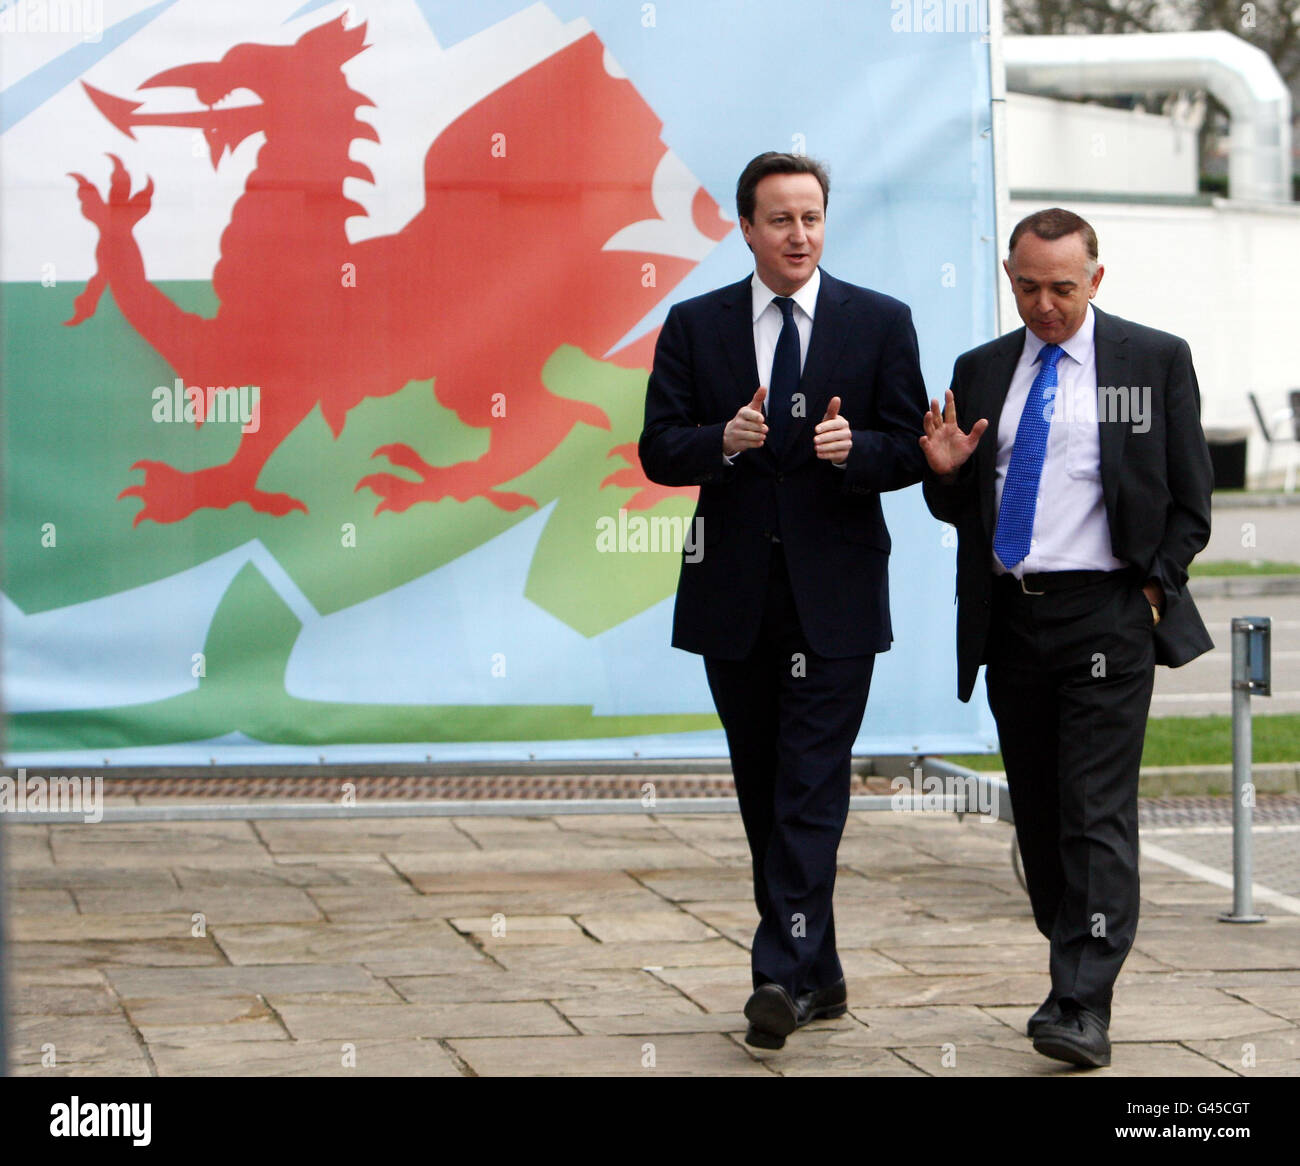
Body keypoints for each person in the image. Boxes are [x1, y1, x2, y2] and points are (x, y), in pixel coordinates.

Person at [638, 152, 927, 1049]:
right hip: (735, 601)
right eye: (781, 220)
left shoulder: (880, 322)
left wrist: (859, 451)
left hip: (835, 600)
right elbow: (657, 448)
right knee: (766, 790)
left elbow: (911, 450)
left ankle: (777, 974)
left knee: (809, 786)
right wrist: (720, 442)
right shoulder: (695, 325)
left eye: (812, 218)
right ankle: (822, 969)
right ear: (748, 228)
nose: (799, 235)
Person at [920, 208, 1213, 1068]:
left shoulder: (1150, 362)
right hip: (1014, 618)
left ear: (1096, 278)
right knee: (1043, 815)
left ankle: (1081, 1002)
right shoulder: (981, 370)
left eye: (1062, 287)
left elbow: (1192, 502)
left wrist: (1152, 592)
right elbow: (960, 507)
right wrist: (945, 473)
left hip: (1109, 616)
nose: (1043, 305)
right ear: (1009, 276)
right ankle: (1072, 946)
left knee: (1093, 813)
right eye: (1026, 286)